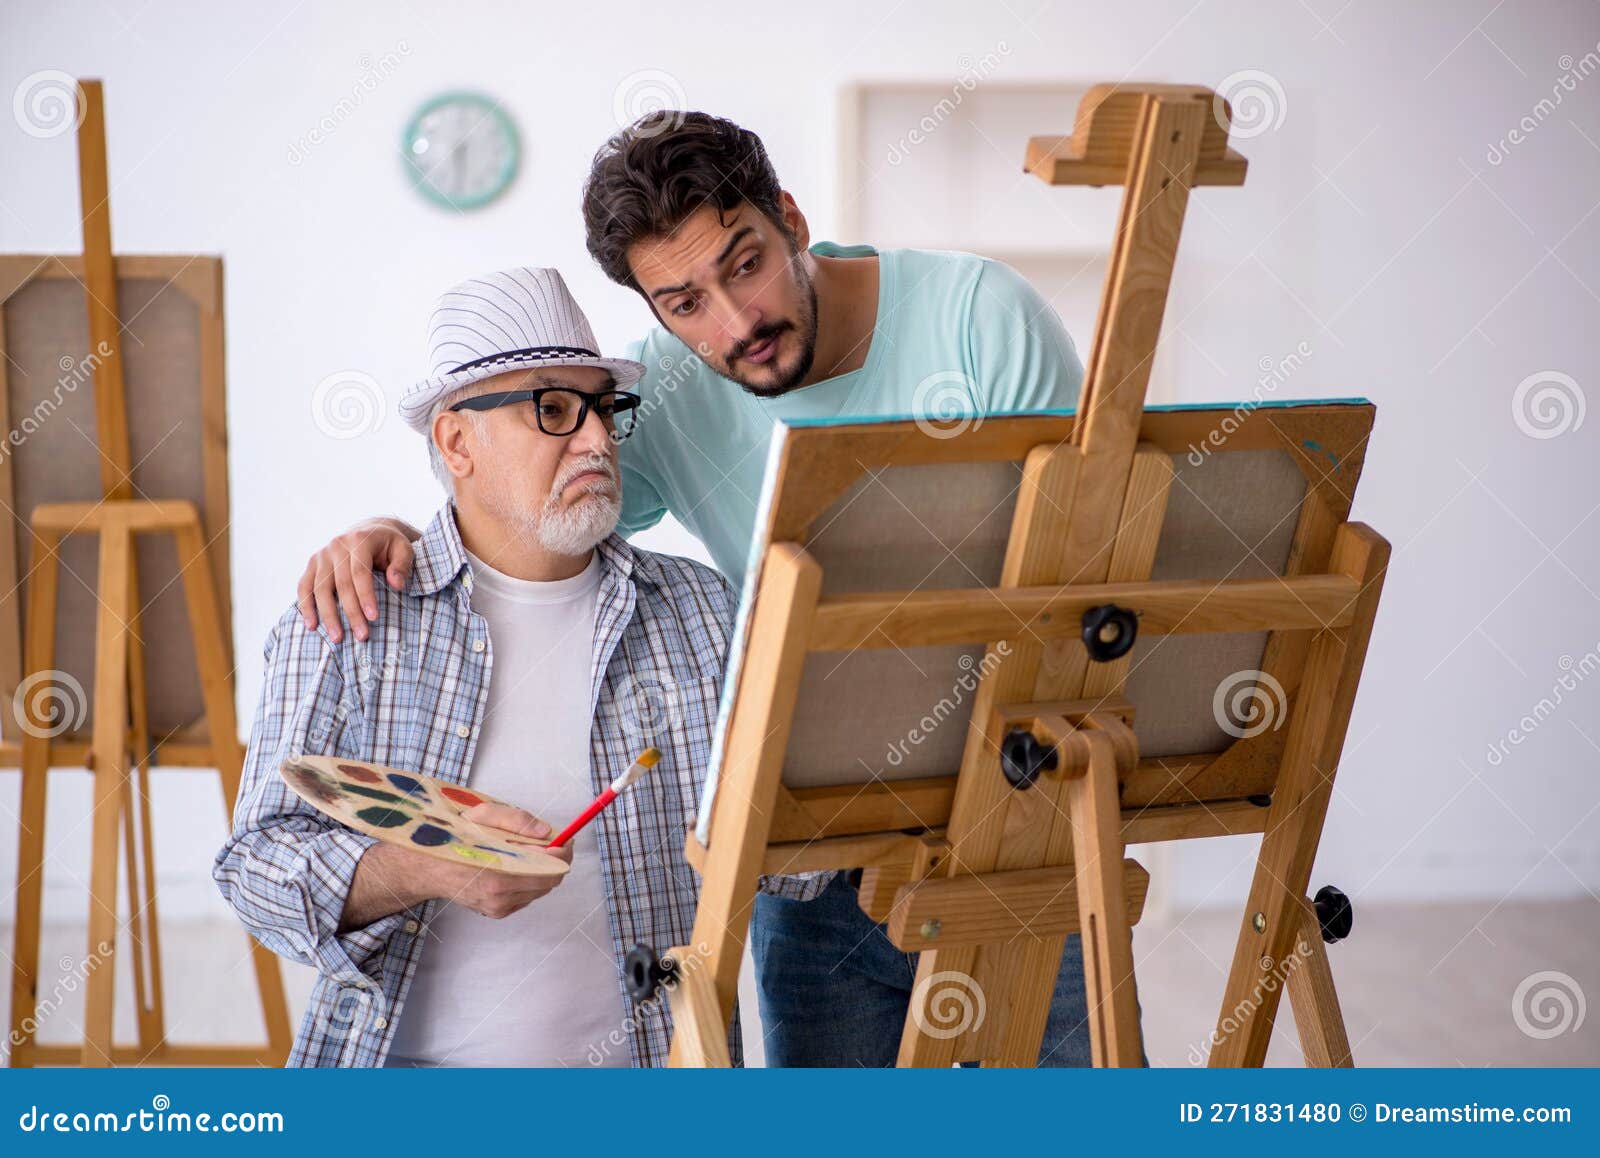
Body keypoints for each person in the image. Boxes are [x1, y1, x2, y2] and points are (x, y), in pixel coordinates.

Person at [291, 113, 1120, 1067]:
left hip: (1017, 818)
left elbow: (1083, 578)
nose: (735, 325)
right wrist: (393, 531)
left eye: (745, 264)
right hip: (809, 847)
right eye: (683, 303)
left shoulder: (980, 318)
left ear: (793, 221)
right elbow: (549, 509)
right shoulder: (675, 387)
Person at [215, 266, 823, 1068]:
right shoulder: (348, 619)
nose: (599, 440)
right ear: (457, 441)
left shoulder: (699, 612)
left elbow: (801, 870)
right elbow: (254, 872)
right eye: (555, 409)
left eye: (604, 408)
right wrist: (418, 868)